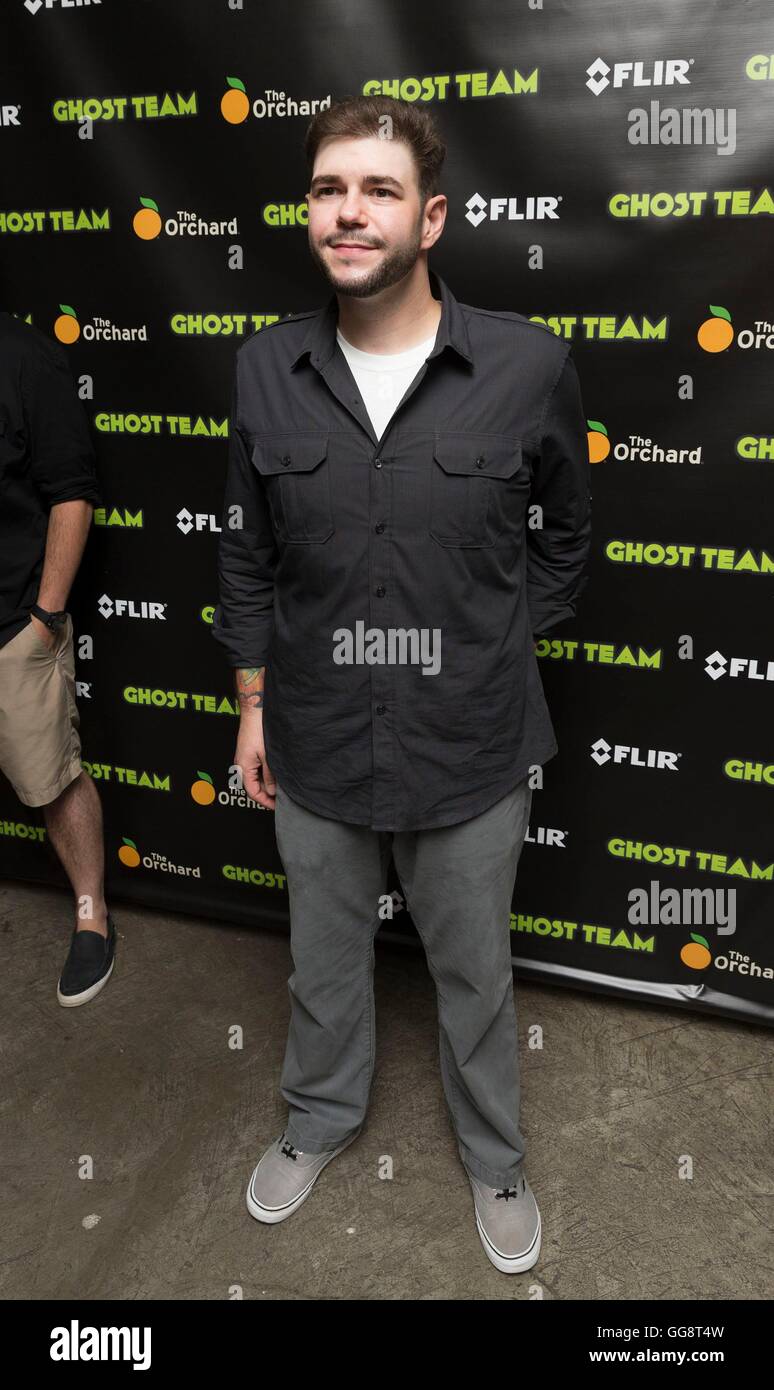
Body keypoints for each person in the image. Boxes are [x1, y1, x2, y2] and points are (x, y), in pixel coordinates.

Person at [211, 94, 592, 1275]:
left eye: (376, 190)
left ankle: (496, 1158)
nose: (349, 212)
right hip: (318, 738)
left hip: (472, 746)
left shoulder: (527, 365)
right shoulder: (265, 369)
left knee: (475, 973)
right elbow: (247, 553)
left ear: (430, 216)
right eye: (329, 188)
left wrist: (490, 645)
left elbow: (567, 538)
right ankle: (318, 1118)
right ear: (308, 210)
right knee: (322, 962)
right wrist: (254, 705)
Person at [0, 312, 115, 1006]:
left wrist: (45, 619)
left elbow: (72, 493)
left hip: (13, 626)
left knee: (53, 781)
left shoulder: (25, 357)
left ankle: (91, 917)